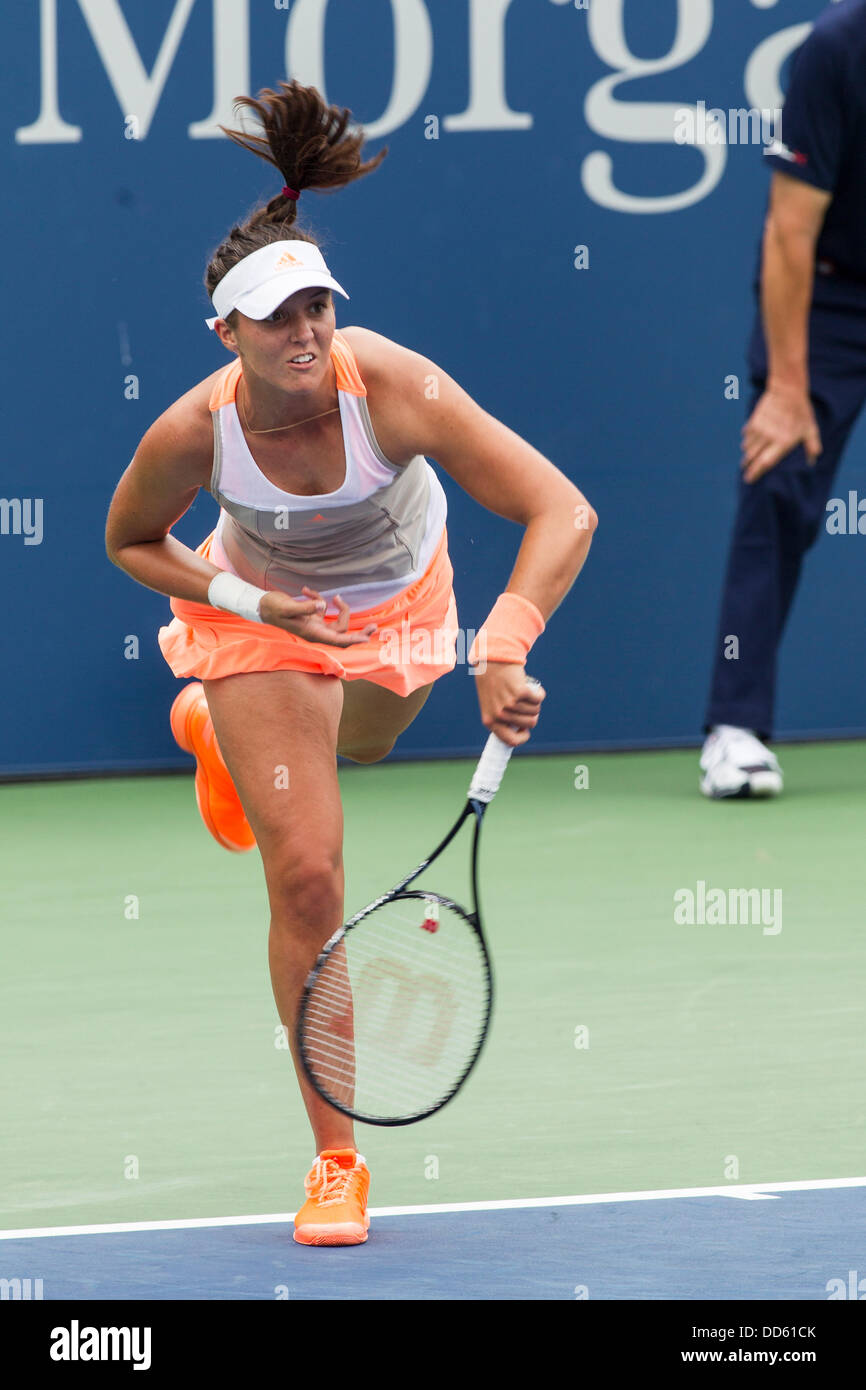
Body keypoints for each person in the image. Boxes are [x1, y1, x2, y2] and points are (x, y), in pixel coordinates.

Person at [105, 80, 597, 1245]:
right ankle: (337, 1161)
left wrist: (503, 638)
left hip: (401, 614)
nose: (307, 332)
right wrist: (254, 598)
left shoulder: (394, 388)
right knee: (312, 877)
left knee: (363, 739)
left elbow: (559, 510)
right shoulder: (191, 431)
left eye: (317, 306)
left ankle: (210, 738)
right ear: (227, 334)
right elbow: (131, 541)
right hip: (261, 624)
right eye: (277, 318)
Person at [701, 0, 866, 799]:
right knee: (778, 480)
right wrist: (791, 387)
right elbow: (790, 230)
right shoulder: (837, 48)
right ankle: (735, 731)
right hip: (832, 297)